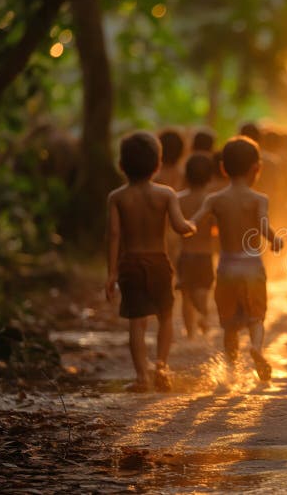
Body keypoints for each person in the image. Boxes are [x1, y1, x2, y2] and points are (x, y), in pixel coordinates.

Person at [105, 131, 196, 392]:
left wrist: (111, 273)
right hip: (159, 262)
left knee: (137, 321)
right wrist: (191, 226)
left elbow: (112, 236)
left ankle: (141, 377)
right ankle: (161, 367)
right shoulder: (166, 194)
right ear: (157, 165)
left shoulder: (117, 197)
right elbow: (179, 226)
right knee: (165, 316)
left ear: (122, 166)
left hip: (130, 264)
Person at [191, 136, 284, 381]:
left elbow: (195, 222)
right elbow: (264, 224)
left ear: (223, 168)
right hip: (252, 267)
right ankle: (256, 346)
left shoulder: (215, 199)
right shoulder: (259, 199)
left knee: (229, 324)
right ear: (257, 169)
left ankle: (231, 372)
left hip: (227, 268)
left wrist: (184, 225)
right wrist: (275, 239)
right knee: (256, 317)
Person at [176, 153, 215, 339]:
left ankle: (190, 332)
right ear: (210, 176)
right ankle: (204, 316)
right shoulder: (211, 201)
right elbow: (216, 228)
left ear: (186, 175)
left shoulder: (179, 199)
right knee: (202, 292)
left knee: (186, 295)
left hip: (186, 253)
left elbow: (175, 228)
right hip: (205, 254)